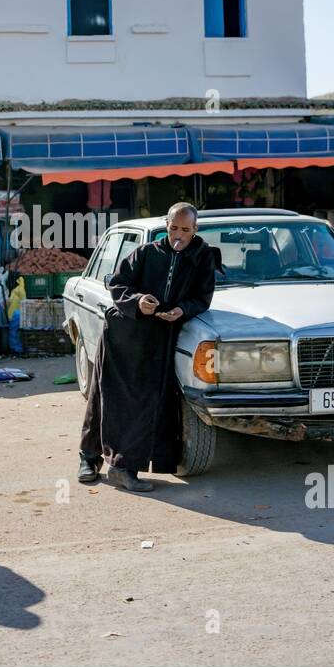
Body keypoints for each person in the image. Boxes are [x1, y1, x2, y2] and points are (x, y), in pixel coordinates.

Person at [79, 203, 218, 492]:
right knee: (106, 395)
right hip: (124, 333)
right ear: (167, 225)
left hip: (160, 338)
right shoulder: (145, 252)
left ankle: (122, 466)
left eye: (185, 230)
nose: (178, 235)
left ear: (195, 230)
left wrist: (182, 309)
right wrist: (138, 301)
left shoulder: (203, 257)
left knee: (144, 401)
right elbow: (118, 284)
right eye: (174, 228)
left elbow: (202, 297)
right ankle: (89, 458)